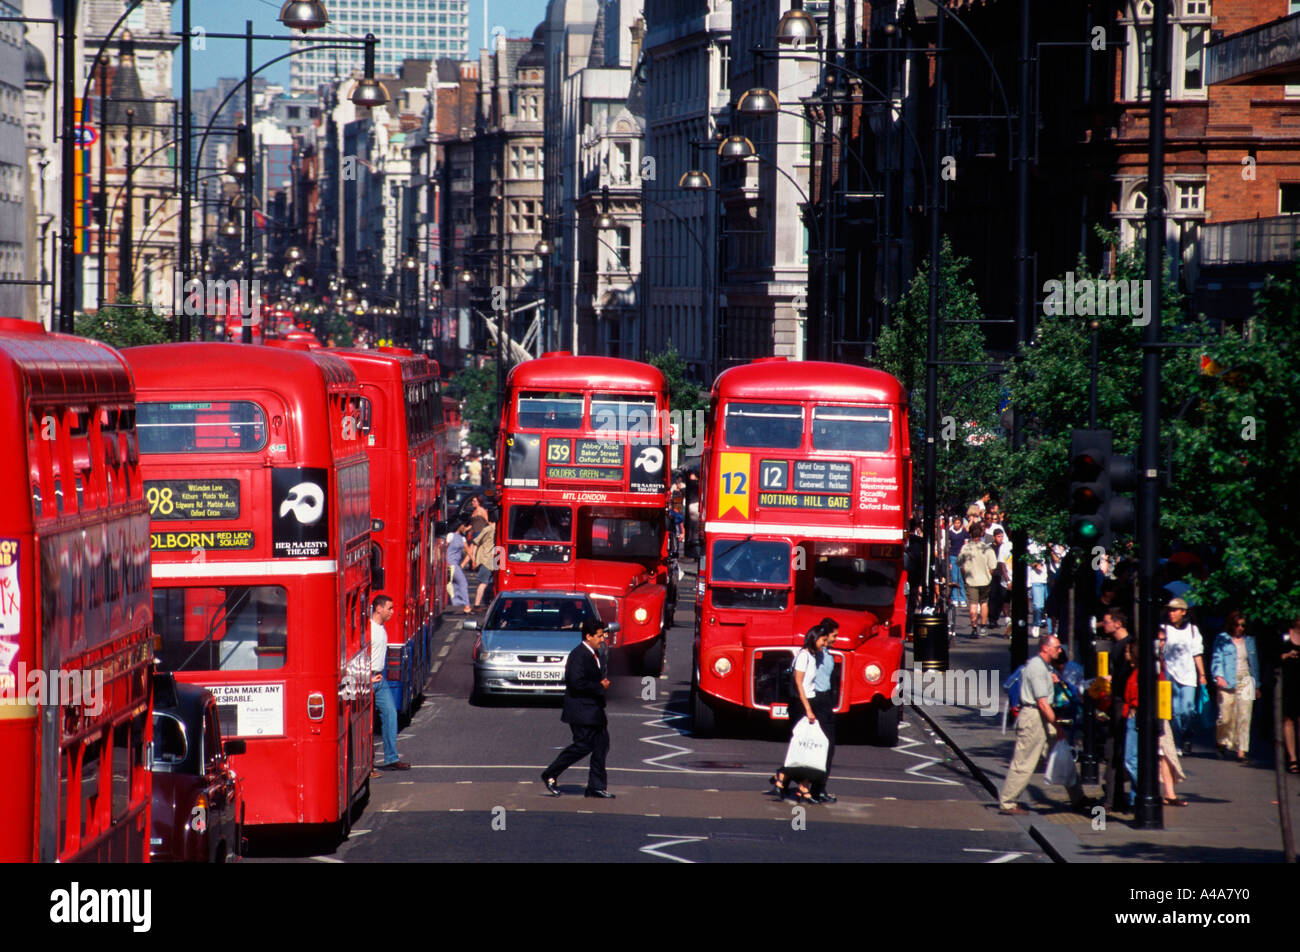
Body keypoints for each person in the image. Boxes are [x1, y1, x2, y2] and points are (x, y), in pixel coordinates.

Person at [998, 633, 1090, 815]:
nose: (1060, 650)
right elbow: (1042, 702)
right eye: (1056, 647)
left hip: (1042, 716)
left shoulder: (1045, 667)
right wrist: (1057, 726)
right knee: (1024, 761)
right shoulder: (1037, 668)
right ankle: (1008, 802)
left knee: (1063, 754)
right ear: (1045, 648)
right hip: (1034, 717)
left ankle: (1078, 797)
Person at [541, 618, 615, 798]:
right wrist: (600, 687)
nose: (603, 639)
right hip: (581, 710)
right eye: (599, 636)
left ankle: (596, 786)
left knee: (601, 745)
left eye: (603, 635)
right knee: (583, 745)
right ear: (588, 636)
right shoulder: (578, 655)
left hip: (594, 710)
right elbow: (575, 683)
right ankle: (550, 773)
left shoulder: (595, 654)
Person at [772, 619, 839, 804]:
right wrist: (809, 709)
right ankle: (799, 782)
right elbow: (799, 683)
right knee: (818, 746)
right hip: (812, 702)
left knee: (814, 746)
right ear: (821, 636)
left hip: (819, 700)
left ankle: (792, 781)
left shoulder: (820, 653)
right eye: (832, 636)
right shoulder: (809, 655)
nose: (833, 640)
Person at [1210, 610, 1260, 763]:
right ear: (1231, 625)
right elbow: (1217, 658)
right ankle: (1222, 741)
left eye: (1242, 625)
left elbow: (1254, 663)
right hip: (1227, 678)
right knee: (1225, 715)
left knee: (1244, 715)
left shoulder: (1249, 641)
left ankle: (1241, 751)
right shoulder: (1222, 639)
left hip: (1246, 679)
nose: (1240, 628)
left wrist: (1256, 685)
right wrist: (1218, 676)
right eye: (1237, 625)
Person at [1159, 597, 1207, 754]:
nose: (1171, 613)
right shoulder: (1164, 628)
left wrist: (1202, 674)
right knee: (1174, 711)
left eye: (1175, 610)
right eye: (1170, 610)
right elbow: (1159, 651)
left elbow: (1197, 653)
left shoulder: (1192, 630)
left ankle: (1187, 734)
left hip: (1188, 674)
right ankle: (1176, 741)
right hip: (1170, 673)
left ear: (1183, 612)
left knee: (1188, 709)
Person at [369, 595, 409, 774]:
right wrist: (366, 678)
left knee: (391, 714)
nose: (392, 612)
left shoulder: (381, 627)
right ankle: (367, 765)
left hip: (380, 679)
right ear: (378, 608)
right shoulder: (368, 629)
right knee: (367, 723)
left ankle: (391, 758)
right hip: (368, 679)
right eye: (389, 608)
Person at [957, 523, 998, 638]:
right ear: (981, 534)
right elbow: (993, 567)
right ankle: (983, 627)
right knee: (984, 603)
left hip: (971, 580)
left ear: (970, 534)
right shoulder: (987, 548)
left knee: (973, 604)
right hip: (985, 580)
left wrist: (965, 578)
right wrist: (988, 576)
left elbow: (960, 565)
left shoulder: (965, 548)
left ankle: (974, 628)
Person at [1281, 617, 1300, 774]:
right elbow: (1274, 655)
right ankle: (1292, 758)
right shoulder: (1284, 635)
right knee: (1288, 719)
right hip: (1287, 680)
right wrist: (1287, 655)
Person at [470, 518, 496, 611]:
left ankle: (478, 605)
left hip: (487, 559)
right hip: (492, 559)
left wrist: (474, 559)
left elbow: (475, 542)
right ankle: (478, 605)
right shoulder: (496, 528)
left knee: (484, 583)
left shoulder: (488, 528)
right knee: (487, 583)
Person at [446, 521, 472, 613]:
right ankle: (467, 606)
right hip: (450, 563)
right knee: (463, 582)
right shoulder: (450, 536)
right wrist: (445, 562)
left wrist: (470, 561)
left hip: (456, 564)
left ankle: (459, 603)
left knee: (455, 584)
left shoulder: (462, 538)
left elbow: (468, 551)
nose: (465, 528)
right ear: (459, 526)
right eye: (464, 526)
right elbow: (443, 548)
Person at [947, 512, 969, 608]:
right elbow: (948, 546)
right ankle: (955, 598)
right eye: (955, 523)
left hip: (961, 557)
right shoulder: (950, 533)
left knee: (961, 578)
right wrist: (948, 561)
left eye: (958, 523)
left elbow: (966, 544)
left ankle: (963, 598)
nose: (957, 524)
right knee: (954, 578)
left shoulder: (964, 532)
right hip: (953, 556)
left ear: (961, 523)